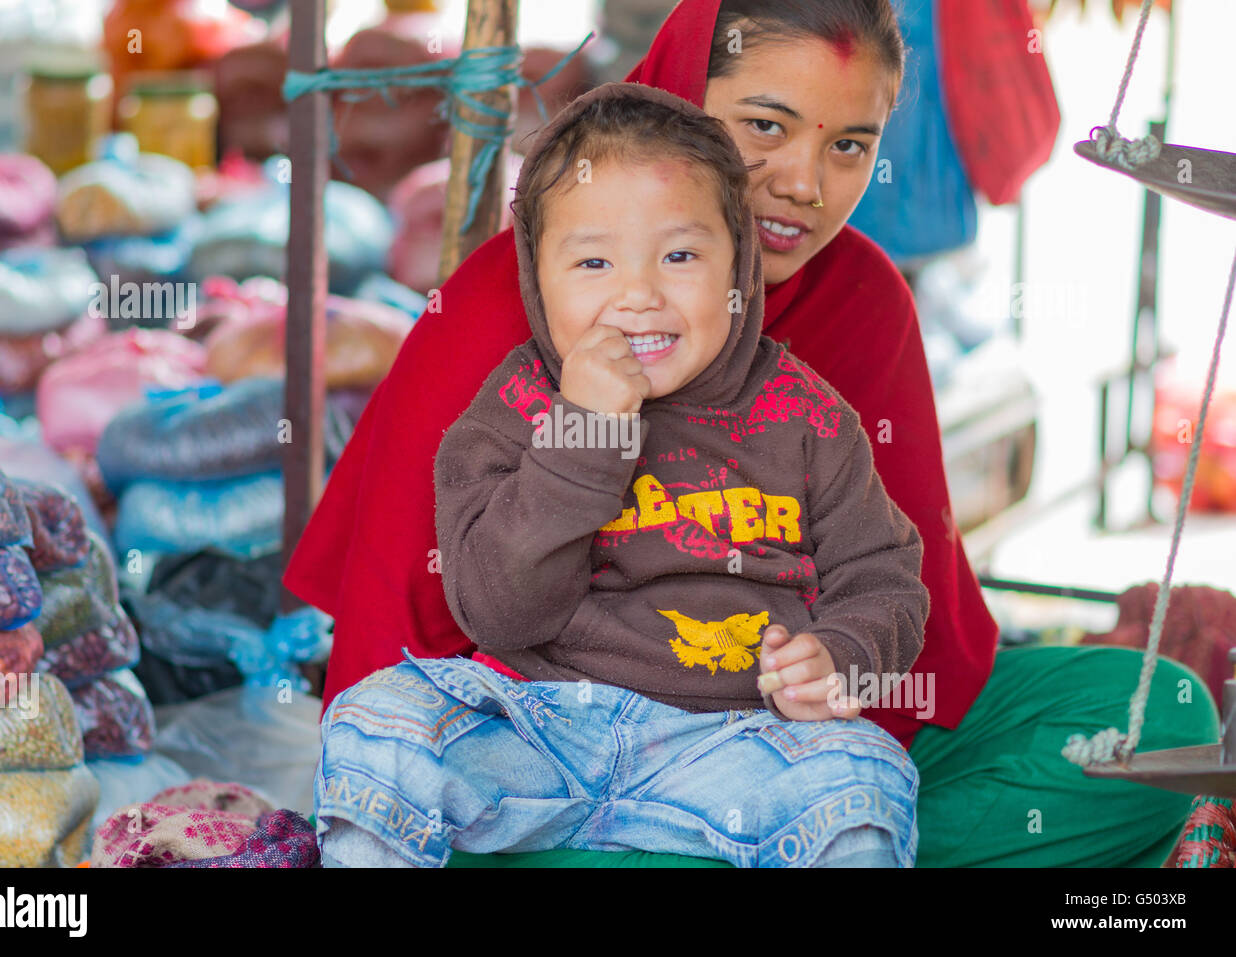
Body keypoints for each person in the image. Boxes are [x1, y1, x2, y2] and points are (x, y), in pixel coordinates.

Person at [287, 0, 1218, 868]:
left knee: (1154, 720)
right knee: (399, 742)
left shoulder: (861, 302)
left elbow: (894, 596)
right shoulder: (509, 309)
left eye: (850, 145)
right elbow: (409, 653)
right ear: (676, 107)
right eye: (765, 127)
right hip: (544, 755)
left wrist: (831, 682)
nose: (805, 184)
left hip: (766, 753)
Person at [315, 81, 927, 868]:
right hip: (534, 727)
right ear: (538, 280)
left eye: (680, 255)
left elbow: (886, 577)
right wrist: (586, 432)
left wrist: (840, 653)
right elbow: (501, 611)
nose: (638, 296)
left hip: (733, 743)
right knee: (375, 725)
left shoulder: (807, 416)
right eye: (594, 260)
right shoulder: (512, 406)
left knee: (862, 780)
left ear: (739, 266)